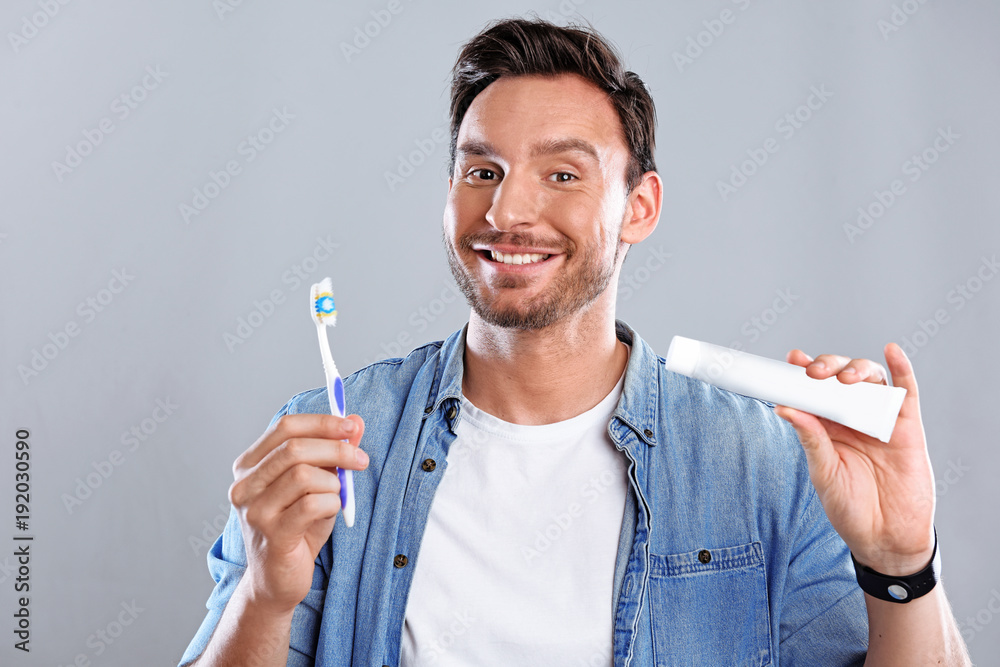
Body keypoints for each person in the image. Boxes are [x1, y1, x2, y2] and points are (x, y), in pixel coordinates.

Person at [179, 16, 971, 666]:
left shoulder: (760, 460)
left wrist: (903, 565)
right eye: (480, 170)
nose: (507, 212)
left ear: (639, 206)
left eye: (562, 175)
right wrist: (264, 594)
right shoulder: (331, 445)